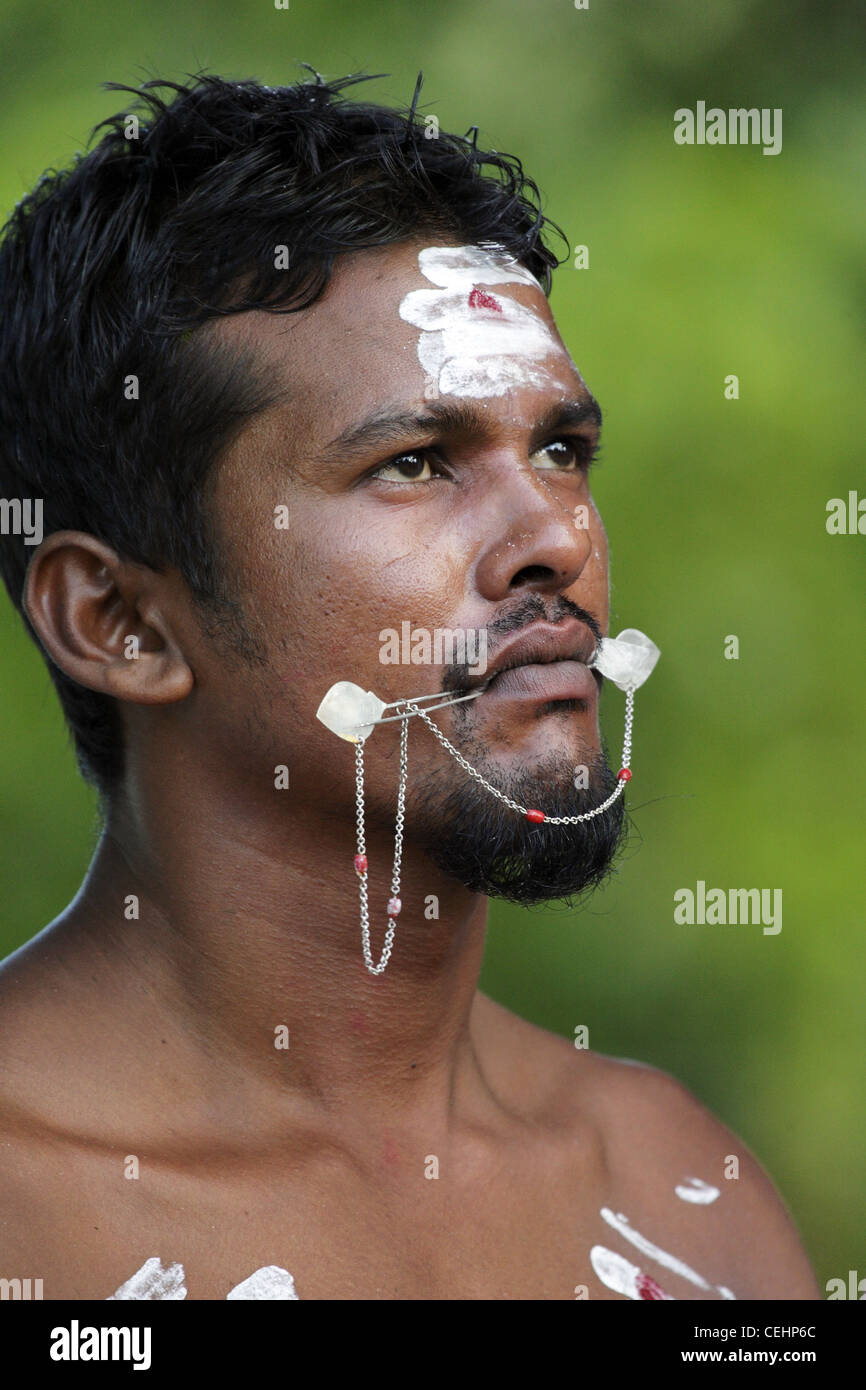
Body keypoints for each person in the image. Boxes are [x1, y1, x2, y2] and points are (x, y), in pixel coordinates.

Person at [0, 70, 818, 1300]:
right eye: (415, 462)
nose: (555, 536)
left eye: (559, 449)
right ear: (119, 622)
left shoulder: (681, 1199)